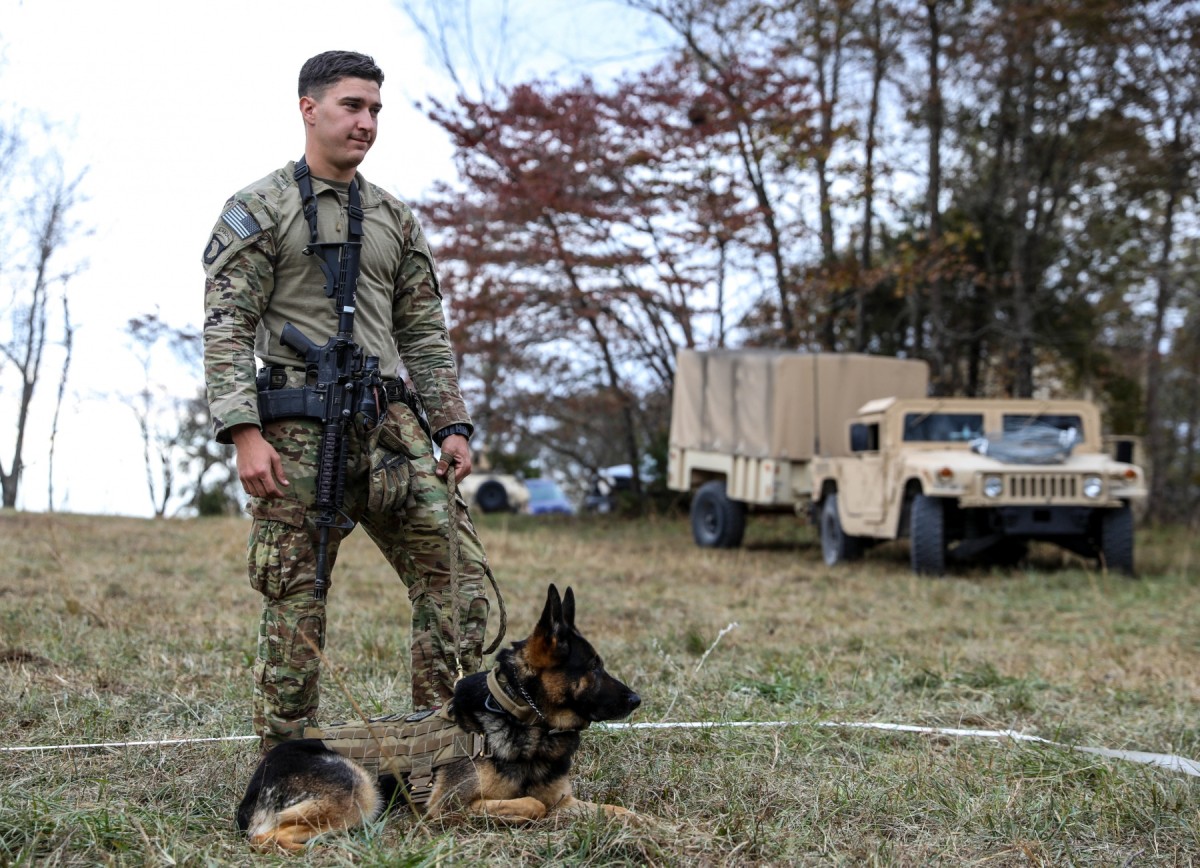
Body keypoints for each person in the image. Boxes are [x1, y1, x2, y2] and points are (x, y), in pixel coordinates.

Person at [202, 50, 495, 751]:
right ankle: (287, 757)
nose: (366, 122)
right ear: (310, 108)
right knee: (296, 597)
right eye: (352, 106)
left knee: (457, 580)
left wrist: (450, 422)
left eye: (375, 110)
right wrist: (243, 431)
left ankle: (441, 749)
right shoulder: (258, 207)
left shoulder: (395, 217)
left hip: (391, 430)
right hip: (296, 433)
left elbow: (423, 330)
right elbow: (226, 328)